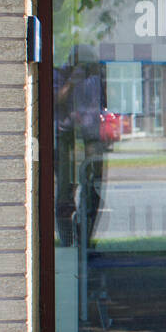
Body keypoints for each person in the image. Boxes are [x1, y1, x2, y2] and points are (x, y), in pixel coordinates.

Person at [54, 43, 108, 248]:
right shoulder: (60, 75)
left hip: (92, 139)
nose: (86, 69)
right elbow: (56, 100)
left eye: (89, 65)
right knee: (66, 193)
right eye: (82, 64)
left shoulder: (95, 79)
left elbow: (102, 106)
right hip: (66, 139)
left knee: (93, 190)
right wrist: (74, 80)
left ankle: (85, 239)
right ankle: (68, 241)